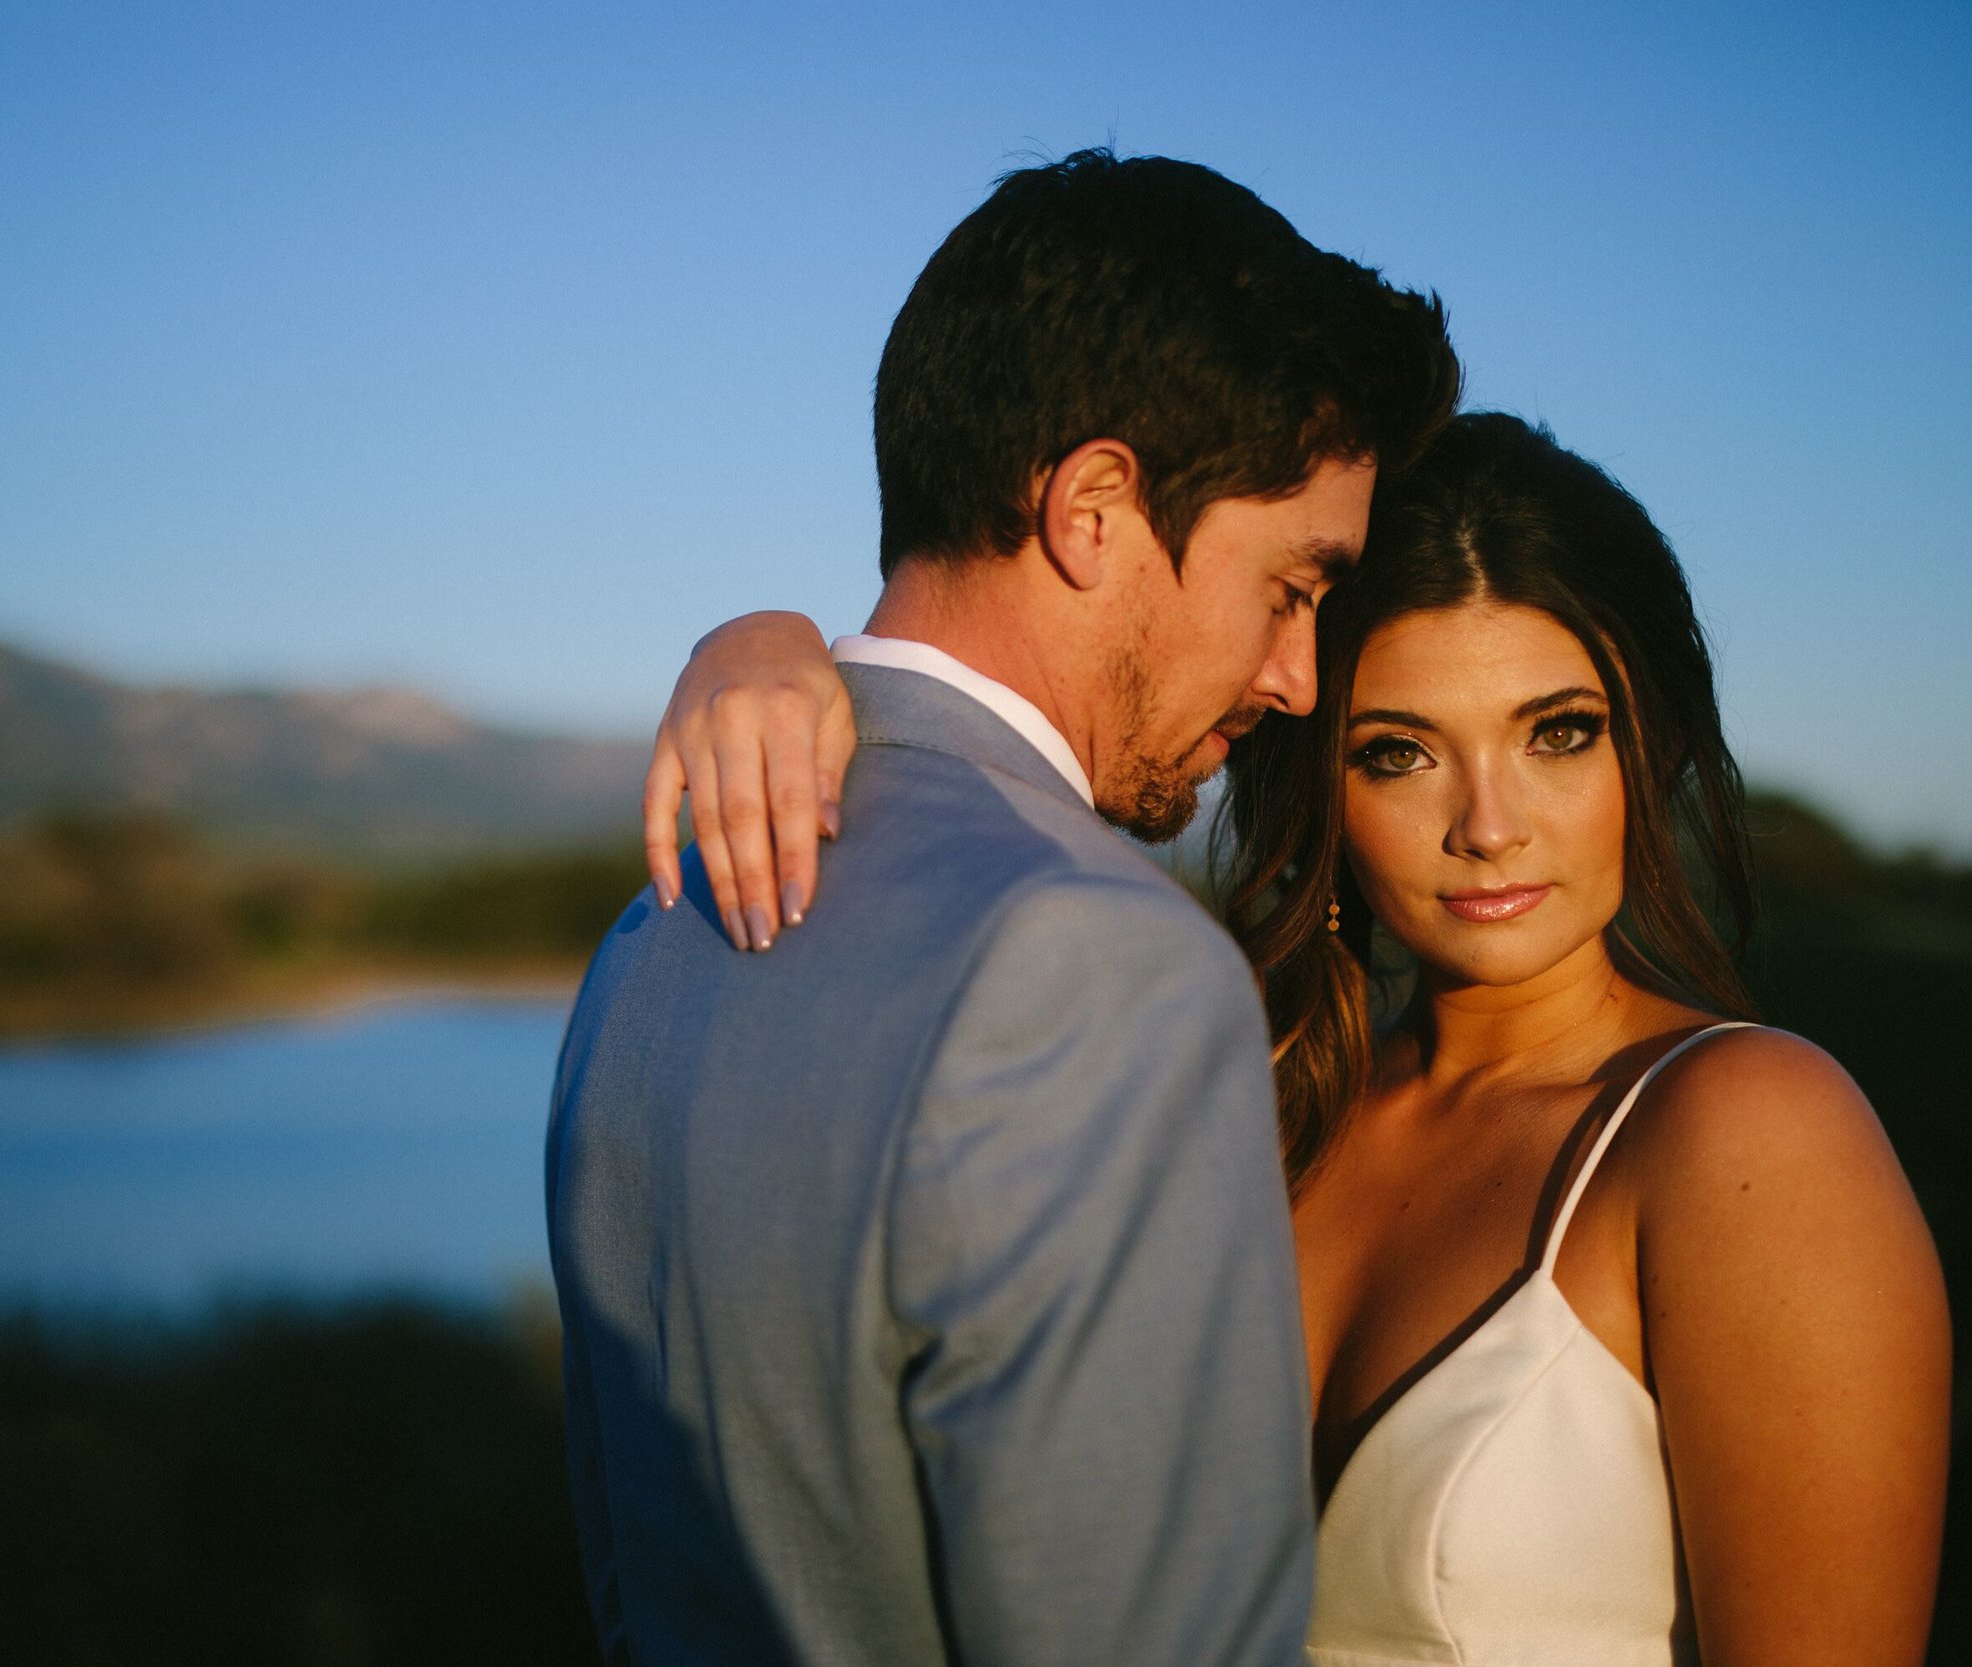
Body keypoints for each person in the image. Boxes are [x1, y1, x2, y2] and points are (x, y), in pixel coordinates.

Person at [644, 413, 1953, 1664]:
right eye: (1399, 754)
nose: (1487, 824)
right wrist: (767, 651)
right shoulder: (1260, 1101)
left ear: (1648, 748)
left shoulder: (1744, 1134)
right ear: (1317, 772)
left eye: (1559, 733)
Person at [548, 148, 1461, 1666]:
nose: (1297, 676)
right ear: (1096, 508)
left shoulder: (652, 932)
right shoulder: (1103, 962)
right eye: (1293, 589)